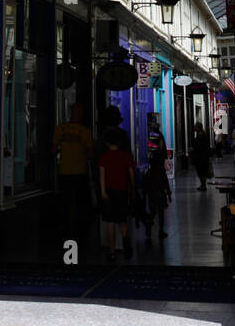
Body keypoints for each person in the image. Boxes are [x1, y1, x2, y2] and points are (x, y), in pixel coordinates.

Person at [53, 103, 93, 249]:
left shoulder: (62, 129)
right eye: (78, 111)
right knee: (74, 200)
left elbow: (53, 148)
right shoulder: (83, 131)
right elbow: (90, 154)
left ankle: (70, 226)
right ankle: (72, 226)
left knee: (69, 200)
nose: (78, 114)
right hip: (73, 171)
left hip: (71, 171)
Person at [98, 127, 136, 260]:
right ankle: (125, 239)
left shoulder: (104, 157)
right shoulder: (126, 156)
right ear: (120, 142)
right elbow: (131, 173)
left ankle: (112, 252)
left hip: (109, 192)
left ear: (107, 143)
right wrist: (133, 189)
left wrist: (103, 192)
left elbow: (102, 175)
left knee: (110, 223)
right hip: (122, 192)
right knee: (122, 220)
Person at [141, 138, 171, 240]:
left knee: (153, 211)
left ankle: (149, 224)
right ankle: (160, 230)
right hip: (159, 187)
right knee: (161, 211)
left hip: (151, 188)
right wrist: (168, 191)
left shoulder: (151, 158)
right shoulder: (159, 158)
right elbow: (163, 176)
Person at [191, 122, 211, 191]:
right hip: (204, 157)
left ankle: (203, 185)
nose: (194, 128)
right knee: (203, 172)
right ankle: (203, 185)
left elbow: (198, 147)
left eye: (195, 127)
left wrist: (193, 149)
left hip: (200, 157)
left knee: (201, 171)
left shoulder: (200, 136)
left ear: (198, 128)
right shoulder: (203, 135)